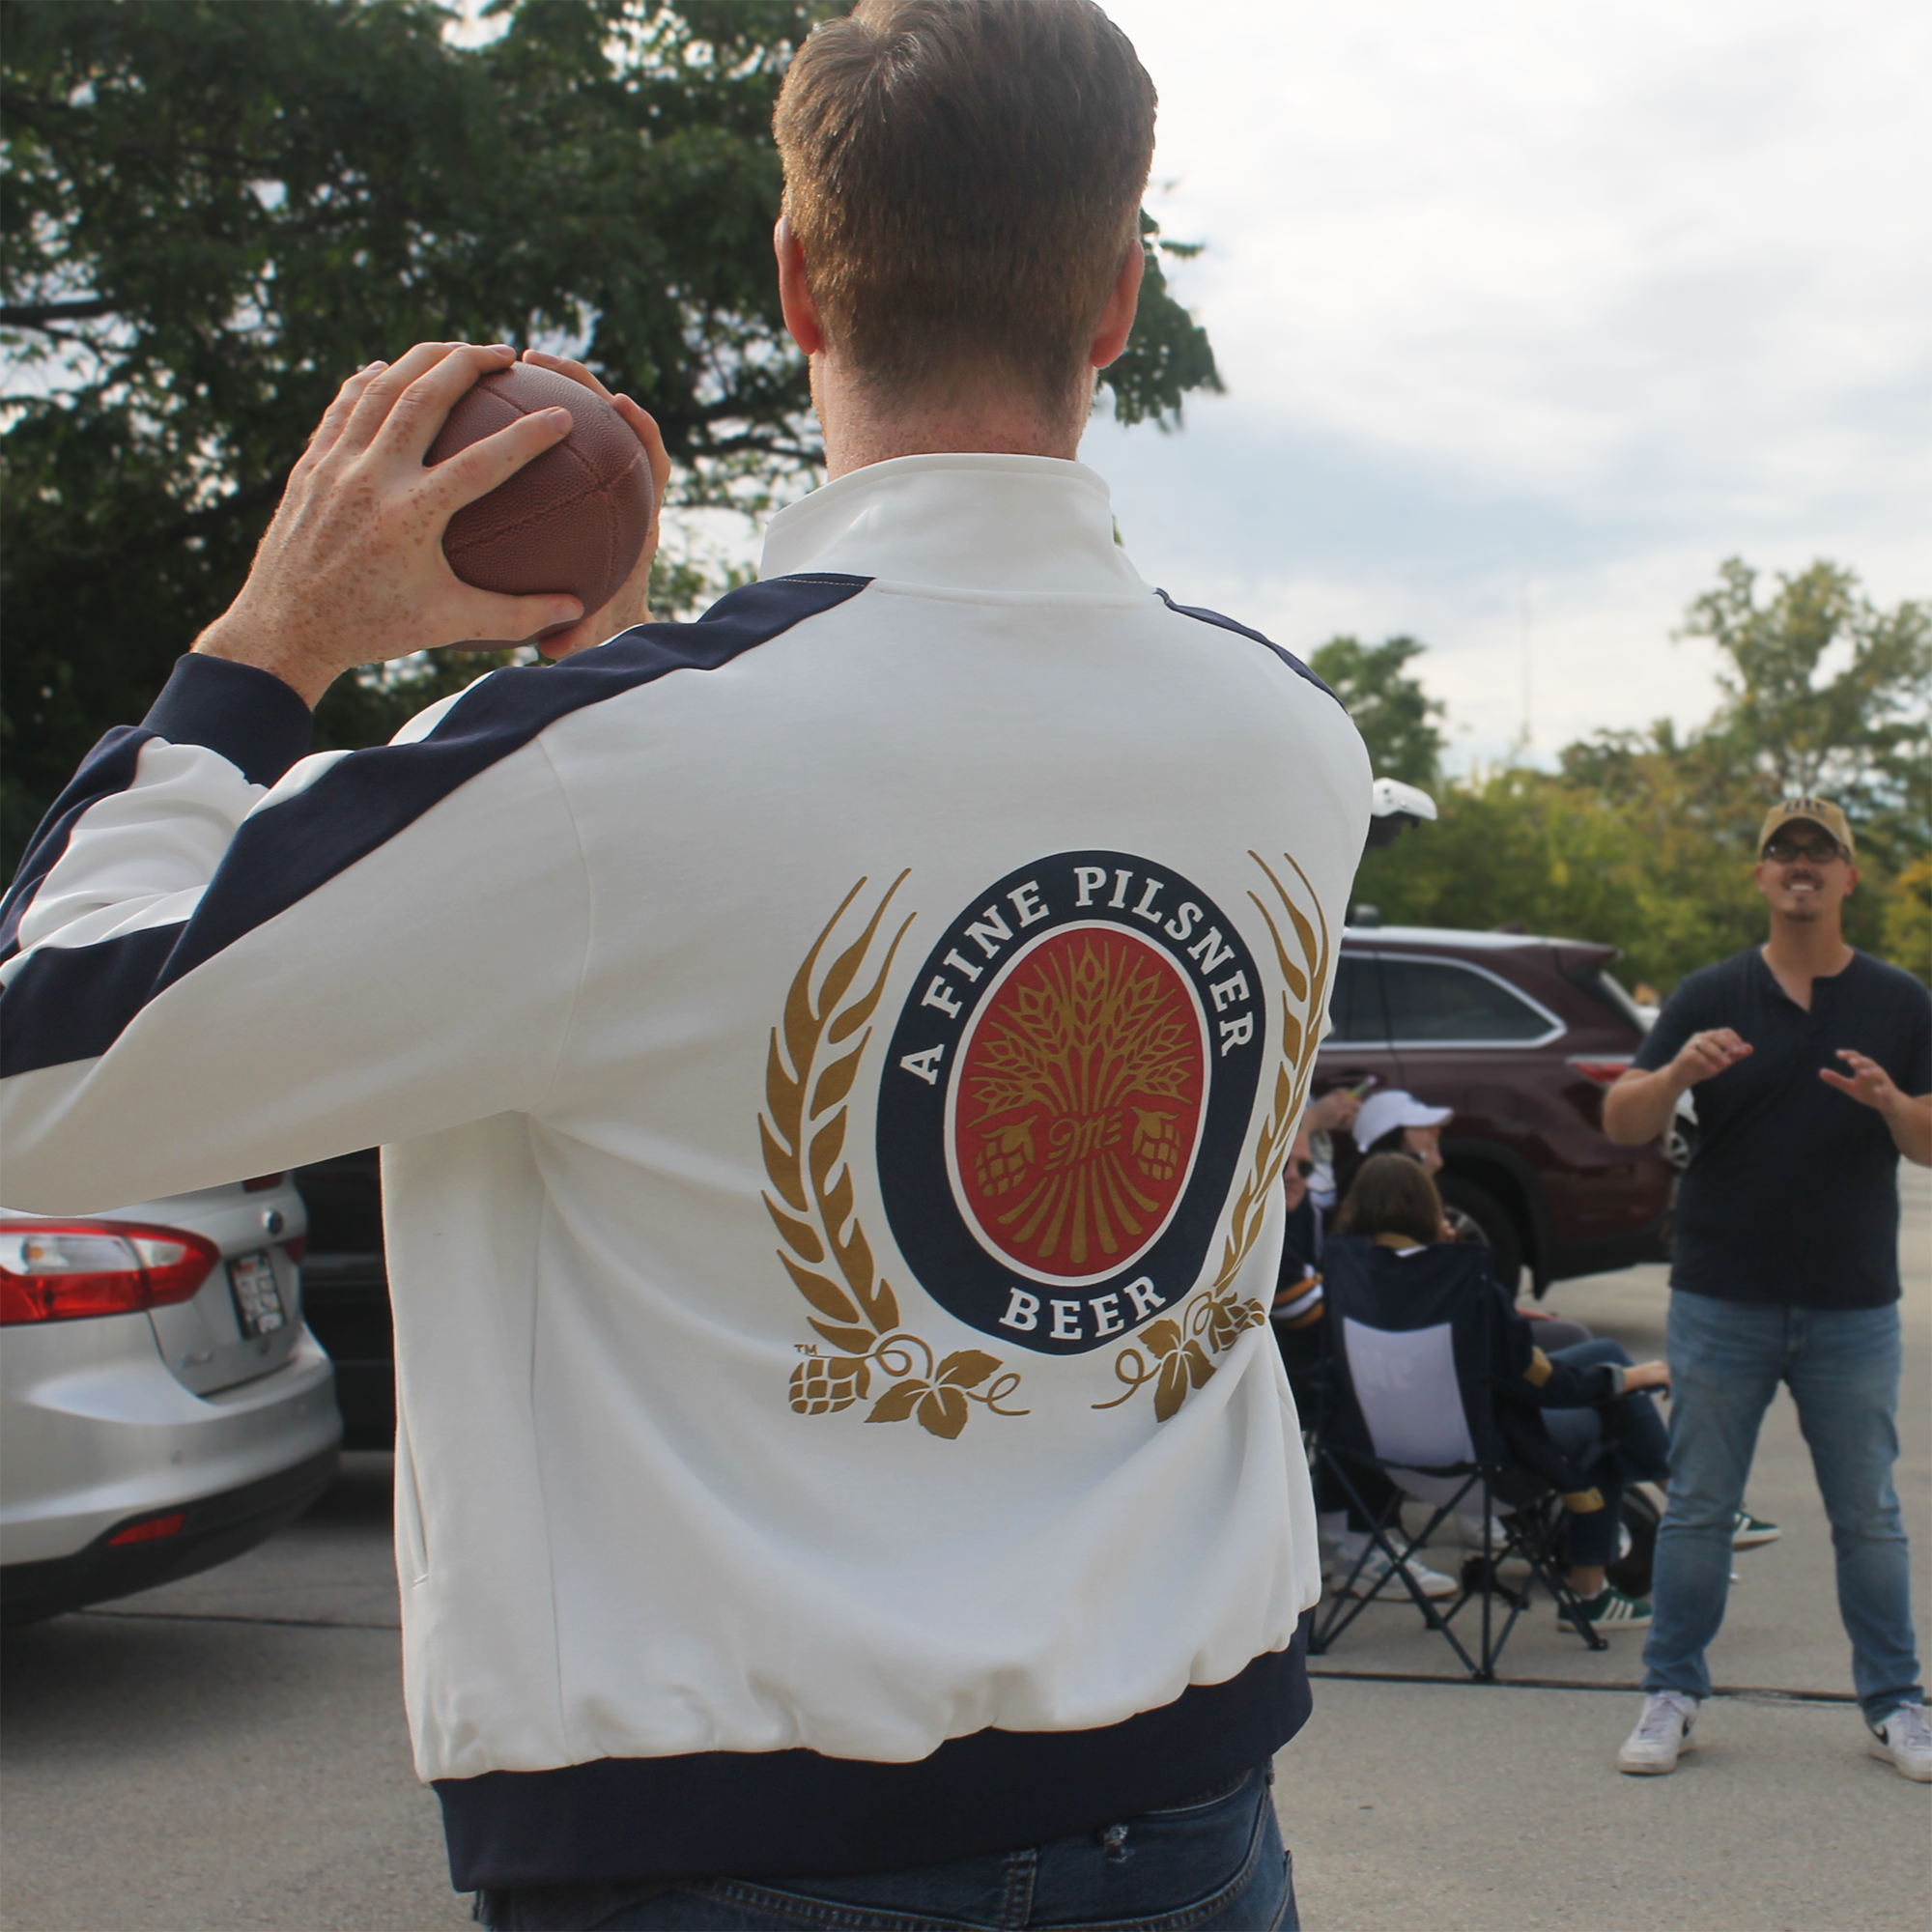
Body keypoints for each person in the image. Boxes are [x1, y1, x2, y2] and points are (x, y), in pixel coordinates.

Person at [0, 5, 1373, 1925]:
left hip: (734, 1852)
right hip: (1195, 1817)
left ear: (799, 283)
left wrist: (270, 638)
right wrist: (585, 724)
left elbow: (45, 1086)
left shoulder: (609, 775)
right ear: (1117, 301)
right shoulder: (1294, 741)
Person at [1604, 796, 1932, 1780]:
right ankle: (1670, 1693)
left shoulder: (1898, 1000)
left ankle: (1896, 1703)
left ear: (1846, 876)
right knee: (1700, 1503)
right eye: (1781, 852)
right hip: (1721, 1297)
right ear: (1758, 876)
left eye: (1818, 852)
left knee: (1866, 1510)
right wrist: (1672, 1075)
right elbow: (1621, 1118)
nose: (1799, 865)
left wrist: (1888, 1101)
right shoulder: (1709, 993)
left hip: (1850, 1303)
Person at [1327, 1154, 1673, 1628]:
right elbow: (1545, 1386)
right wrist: (1632, 1378)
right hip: (1483, 1472)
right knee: (1609, 1410)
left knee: (1600, 1351)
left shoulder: (1348, 1276)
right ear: (1430, 1207)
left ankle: (1689, 1498)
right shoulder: (1463, 1284)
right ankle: (1598, 1590)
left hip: (1390, 1466)